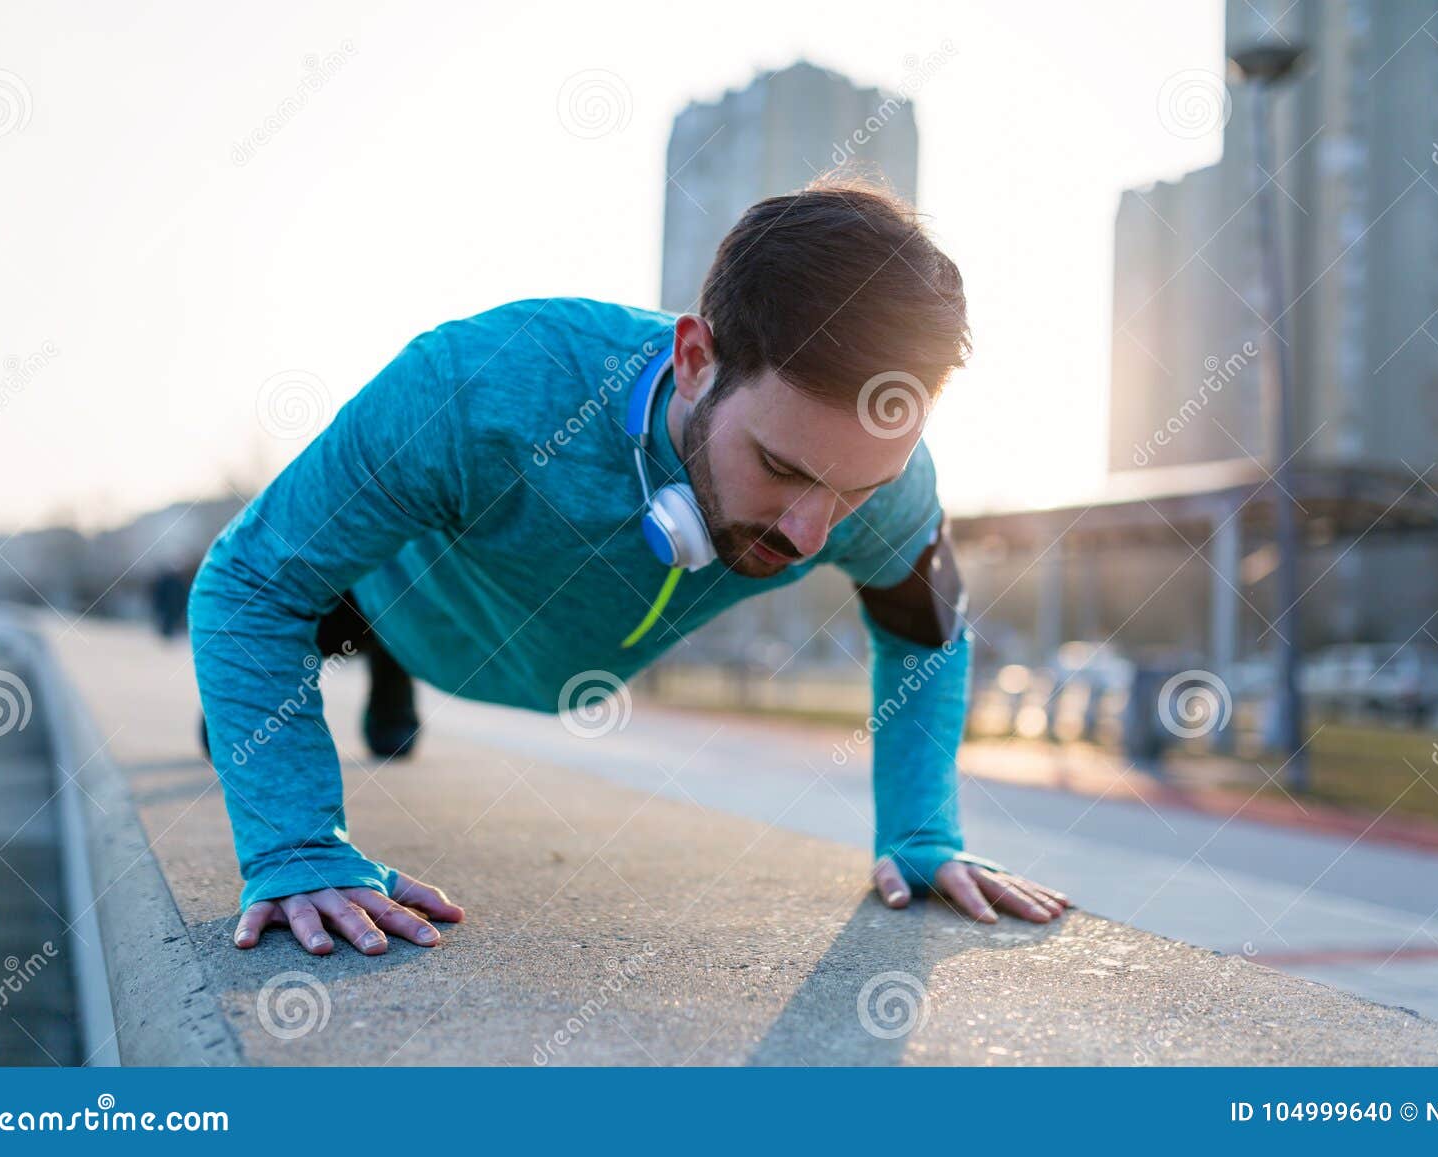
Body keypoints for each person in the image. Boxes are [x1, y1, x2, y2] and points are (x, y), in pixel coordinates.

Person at [188, 177, 1072, 957]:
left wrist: (921, 831)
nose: (810, 535)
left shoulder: (896, 488)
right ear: (695, 360)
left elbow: (926, 633)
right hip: (395, 595)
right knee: (285, 663)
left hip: (541, 648)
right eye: (783, 468)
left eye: (856, 490)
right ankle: (360, 667)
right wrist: (295, 844)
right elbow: (251, 581)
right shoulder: (476, 384)